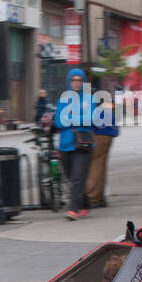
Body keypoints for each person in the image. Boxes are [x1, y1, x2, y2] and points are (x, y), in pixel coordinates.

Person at [55, 67, 95, 220]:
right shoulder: (62, 100)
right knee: (71, 176)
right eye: (73, 80)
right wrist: (77, 119)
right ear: (69, 82)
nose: (76, 83)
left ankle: (73, 209)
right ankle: (85, 203)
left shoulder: (89, 99)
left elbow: (89, 119)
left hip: (83, 144)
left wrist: (69, 118)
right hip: (66, 144)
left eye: (79, 80)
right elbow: (59, 121)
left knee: (78, 177)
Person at [85, 77, 119, 209]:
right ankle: (98, 196)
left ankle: (94, 197)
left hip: (101, 132)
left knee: (96, 165)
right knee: (99, 165)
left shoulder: (93, 96)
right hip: (105, 131)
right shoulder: (97, 94)